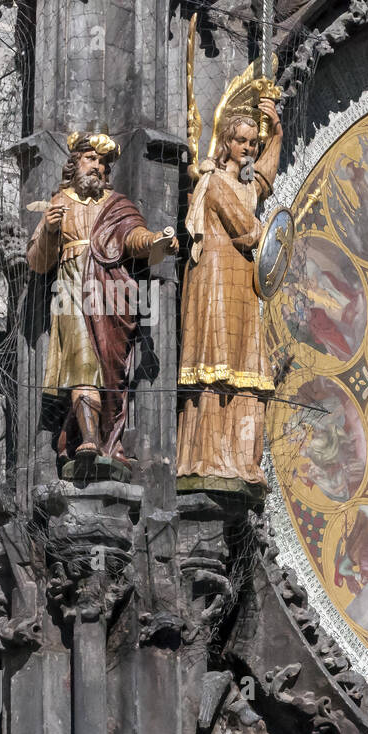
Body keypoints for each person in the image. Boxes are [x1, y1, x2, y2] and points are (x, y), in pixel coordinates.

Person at [26, 128, 177, 464]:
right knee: (82, 361)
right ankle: (89, 439)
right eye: (89, 159)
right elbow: (37, 262)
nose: (96, 166)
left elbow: (133, 237)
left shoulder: (116, 205)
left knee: (112, 367)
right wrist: (50, 229)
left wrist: (155, 241)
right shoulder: (59, 203)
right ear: (74, 163)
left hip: (110, 293)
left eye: (102, 162)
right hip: (70, 289)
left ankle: (106, 434)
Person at [176, 99, 283, 493]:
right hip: (216, 277)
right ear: (226, 143)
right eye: (241, 142)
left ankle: (241, 458)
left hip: (242, 281)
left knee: (244, 365)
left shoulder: (244, 182)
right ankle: (208, 456)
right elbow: (247, 228)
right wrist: (268, 232)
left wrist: (277, 131)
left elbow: (265, 178)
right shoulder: (216, 182)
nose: (248, 149)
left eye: (253, 143)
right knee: (216, 361)